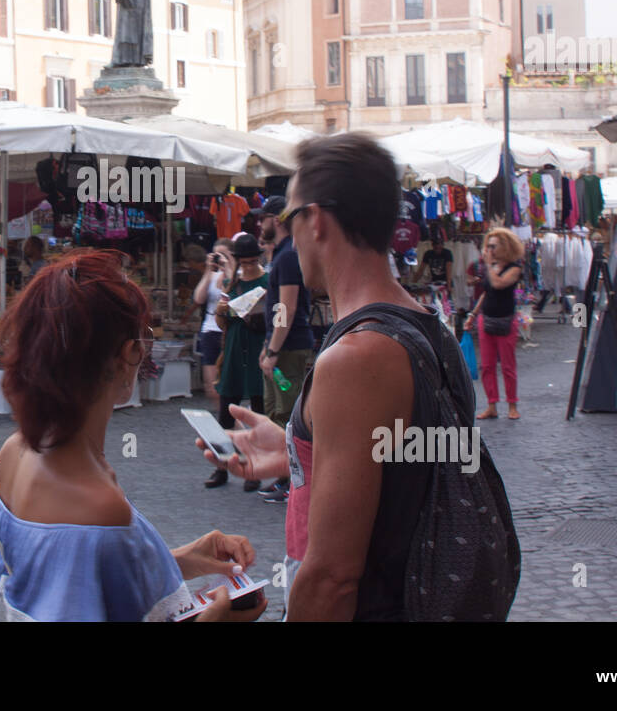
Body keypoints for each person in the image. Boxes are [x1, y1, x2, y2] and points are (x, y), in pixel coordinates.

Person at [196, 133, 483, 620]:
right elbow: (398, 467)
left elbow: (331, 577)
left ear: (319, 220)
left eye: (289, 217)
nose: (285, 233)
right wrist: (298, 450)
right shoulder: (431, 328)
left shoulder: (356, 357)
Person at [0, 249, 264, 621]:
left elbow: (72, 577)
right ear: (128, 353)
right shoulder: (99, 506)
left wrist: (181, 559)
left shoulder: (15, 453)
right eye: (144, 336)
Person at [256, 196, 315, 504]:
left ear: (276, 220)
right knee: (275, 412)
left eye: (262, 218)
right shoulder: (281, 254)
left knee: (287, 413)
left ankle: (295, 480)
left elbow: (287, 308)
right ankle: (283, 476)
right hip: (280, 347)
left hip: (288, 349)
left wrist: (274, 349)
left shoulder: (289, 256)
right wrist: (268, 347)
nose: (258, 223)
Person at [209, 233, 267, 491]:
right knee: (224, 413)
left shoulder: (267, 280)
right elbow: (221, 319)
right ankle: (221, 467)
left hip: (256, 348)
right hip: (233, 349)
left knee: (257, 412)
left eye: (252, 261)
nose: (249, 266)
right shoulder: (233, 282)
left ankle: (253, 470)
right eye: (245, 262)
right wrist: (226, 309)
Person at [470, 227, 524, 420]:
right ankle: (491, 404)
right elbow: (487, 292)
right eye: (488, 246)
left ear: (505, 247)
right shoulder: (490, 268)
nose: (490, 250)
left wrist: (489, 266)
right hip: (487, 318)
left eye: (494, 246)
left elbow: (499, 284)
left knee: (508, 366)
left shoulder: (514, 268)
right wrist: (473, 314)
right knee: (487, 365)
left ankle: (512, 405)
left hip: (506, 319)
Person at [191, 238, 234, 403]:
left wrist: (228, 268)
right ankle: (223, 420)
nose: (220, 258)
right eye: (217, 254)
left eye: (224, 254)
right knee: (210, 386)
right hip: (210, 329)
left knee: (227, 383)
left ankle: (229, 421)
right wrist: (209, 271)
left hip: (228, 330)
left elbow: (233, 291)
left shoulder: (238, 275)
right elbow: (198, 298)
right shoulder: (211, 275)